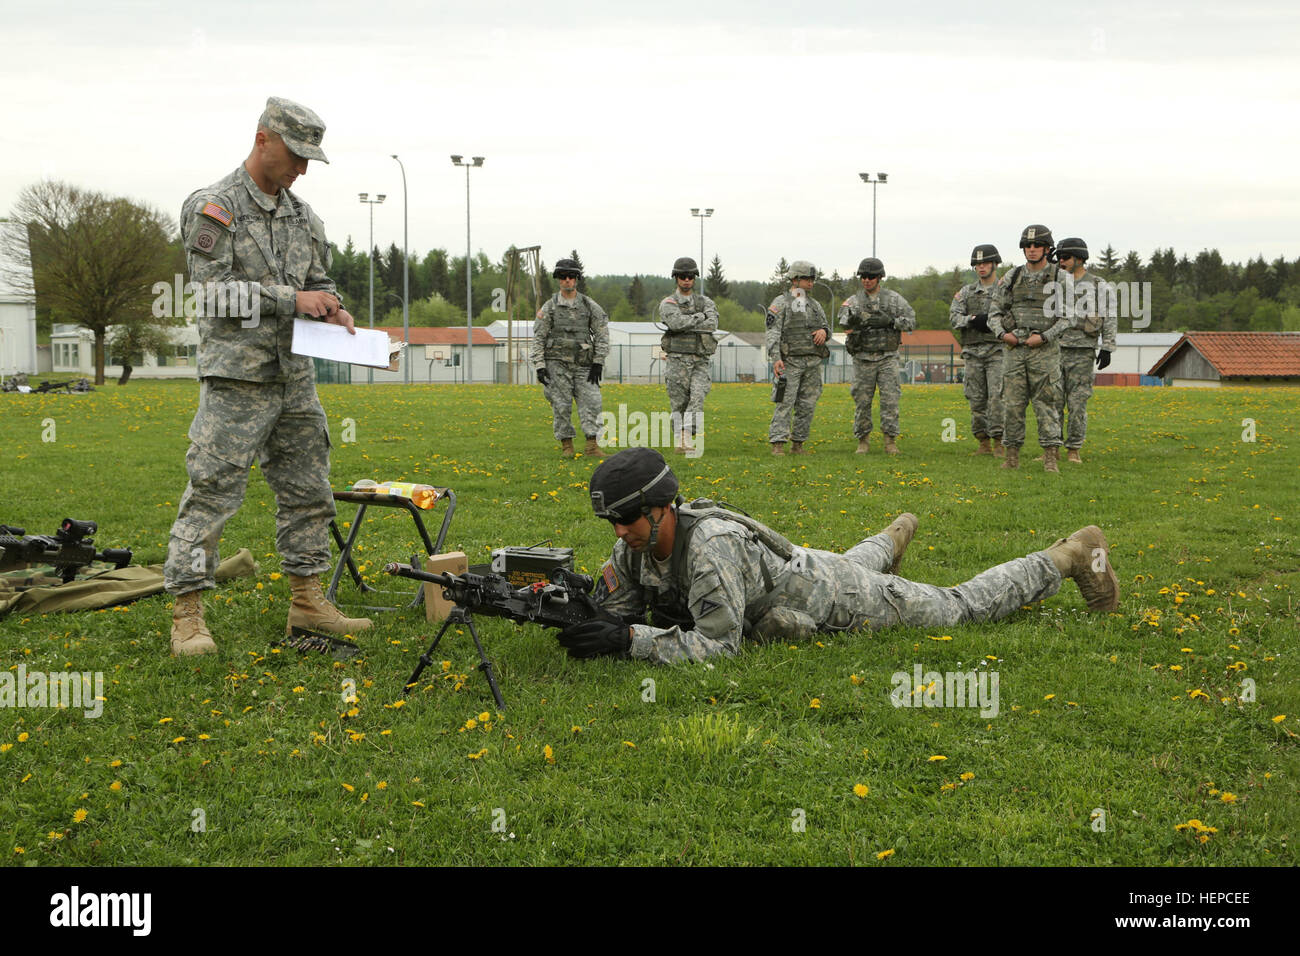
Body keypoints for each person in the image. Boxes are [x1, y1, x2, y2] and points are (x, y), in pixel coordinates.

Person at [555, 448, 1119, 663]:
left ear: (660, 509)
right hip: (806, 568)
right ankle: (893, 536)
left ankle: (1069, 555)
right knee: (846, 562)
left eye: (626, 519)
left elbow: (718, 644)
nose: (619, 531)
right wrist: (580, 606)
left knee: (956, 607)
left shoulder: (710, 549)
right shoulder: (635, 547)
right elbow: (621, 605)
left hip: (834, 596)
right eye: (611, 522)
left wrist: (630, 643)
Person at [163, 96, 371, 657]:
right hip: (237, 381)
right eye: (295, 154)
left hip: (295, 379)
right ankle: (187, 613)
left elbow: (321, 283)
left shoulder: (306, 218)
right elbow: (211, 293)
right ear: (263, 139)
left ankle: (307, 602)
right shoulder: (215, 207)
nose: (302, 168)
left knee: (309, 491)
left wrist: (333, 307)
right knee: (212, 492)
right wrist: (292, 299)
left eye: (310, 159)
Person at [989, 225, 1072, 472]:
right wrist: (1004, 334)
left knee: (1047, 404)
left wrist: (1045, 337)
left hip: (1044, 353)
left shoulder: (1060, 278)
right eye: (1028, 246)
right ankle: (1011, 457)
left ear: (1047, 249)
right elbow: (995, 312)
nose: (1032, 249)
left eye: (1037, 246)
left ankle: (1050, 457)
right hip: (1014, 352)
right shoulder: (1011, 277)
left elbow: (1067, 318)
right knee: (1012, 405)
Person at [531, 258, 610, 458]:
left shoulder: (588, 305)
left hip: (584, 365)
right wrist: (540, 366)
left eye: (571, 277)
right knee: (561, 405)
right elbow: (539, 337)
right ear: (558, 280)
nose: (568, 281)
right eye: (564, 277)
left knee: (592, 402)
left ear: (577, 279)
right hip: (556, 365)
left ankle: (592, 446)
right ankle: (567, 446)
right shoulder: (549, 307)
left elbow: (602, 333)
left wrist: (598, 362)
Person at [839, 257, 916, 454]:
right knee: (862, 401)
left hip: (887, 357)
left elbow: (911, 321)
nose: (867, 280)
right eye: (863, 276)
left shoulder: (894, 299)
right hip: (863, 357)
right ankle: (863, 441)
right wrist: (853, 320)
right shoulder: (854, 301)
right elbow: (843, 320)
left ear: (879, 277)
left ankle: (890, 441)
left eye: (871, 276)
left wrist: (890, 322)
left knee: (890, 399)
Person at [1053, 238, 1118, 463]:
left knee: (1077, 402)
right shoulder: (1054, 283)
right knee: (1053, 402)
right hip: (1055, 349)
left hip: (1082, 350)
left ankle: (1073, 449)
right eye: (1059, 258)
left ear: (1079, 259)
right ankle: (1052, 449)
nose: (1061, 261)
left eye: (1065, 258)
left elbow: (1109, 316)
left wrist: (1107, 347)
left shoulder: (1099, 286)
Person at [766, 260, 829, 455]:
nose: (811, 283)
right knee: (784, 402)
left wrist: (824, 332)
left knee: (807, 404)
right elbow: (772, 332)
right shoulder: (781, 303)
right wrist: (775, 357)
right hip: (790, 361)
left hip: (812, 361)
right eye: (806, 279)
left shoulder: (814, 305)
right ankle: (778, 443)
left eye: (812, 279)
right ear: (795, 279)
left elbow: (826, 326)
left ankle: (798, 443)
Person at [950, 244, 1007, 457]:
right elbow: (954, 317)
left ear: (995, 264)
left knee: (997, 397)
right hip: (973, 352)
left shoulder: (1005, 290)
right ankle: (982, 441)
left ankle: (999, 441)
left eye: (985, 263)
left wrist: (994, 323)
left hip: (998, 350)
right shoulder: (966, 293)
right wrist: (973, 320)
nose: (981, 267)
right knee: (976, 398)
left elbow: (1014, 317)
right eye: (977, 264)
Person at [658, 256, 719, 454]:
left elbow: (712, 324)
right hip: (677, 359)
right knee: (679, 402)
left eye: (690, 276)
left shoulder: (706, 301)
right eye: (683, 276)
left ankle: (687, 436)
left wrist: (689, 321)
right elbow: (675, 324)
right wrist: (698, 317)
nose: (687, 280)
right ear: (676, 278)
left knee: (698, 395)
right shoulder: (668, 303)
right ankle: (680, 441)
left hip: (700, 359)